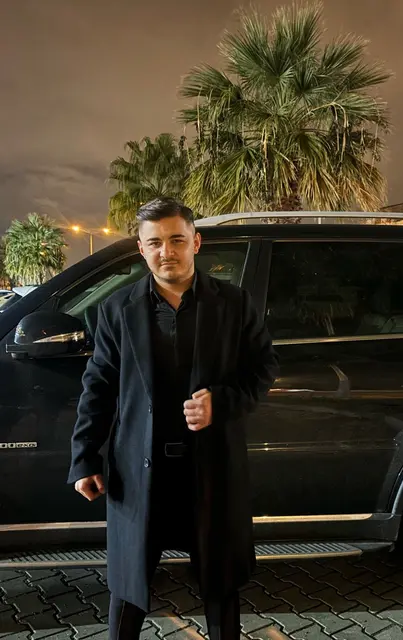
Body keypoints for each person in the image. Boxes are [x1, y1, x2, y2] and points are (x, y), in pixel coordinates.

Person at [68, 197, 279, 639]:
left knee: (220, 582)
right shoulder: (117, 309)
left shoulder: (234, 303)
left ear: (195, 243)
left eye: (177, 240)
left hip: (212, 466)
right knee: (129, 585)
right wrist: (84, 457)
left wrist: (222, 402)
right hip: (139, 469)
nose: (167, 251)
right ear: (141, 250)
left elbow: (263, 370)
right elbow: (99, 386)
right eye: (155, 242)